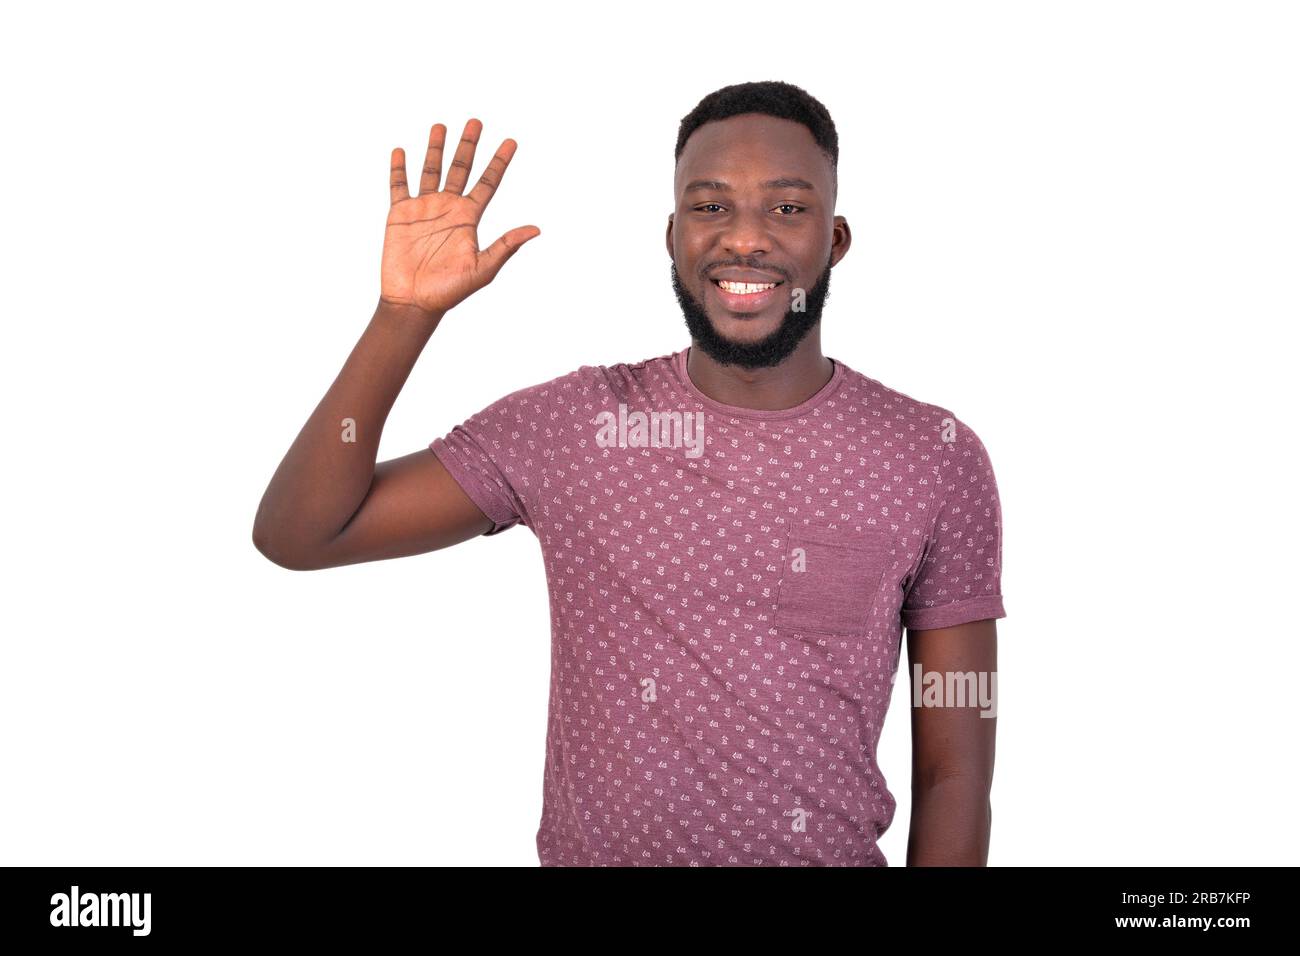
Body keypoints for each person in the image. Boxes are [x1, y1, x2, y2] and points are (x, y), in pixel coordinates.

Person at [253, 80, 1006, 866]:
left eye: (787, 208)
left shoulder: (934, 457)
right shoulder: (574, 426)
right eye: (710, 206)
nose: (744, 239)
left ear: (836, 237)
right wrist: (405, 316)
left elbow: (955, 774)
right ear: (672, 234)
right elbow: (302, 532)